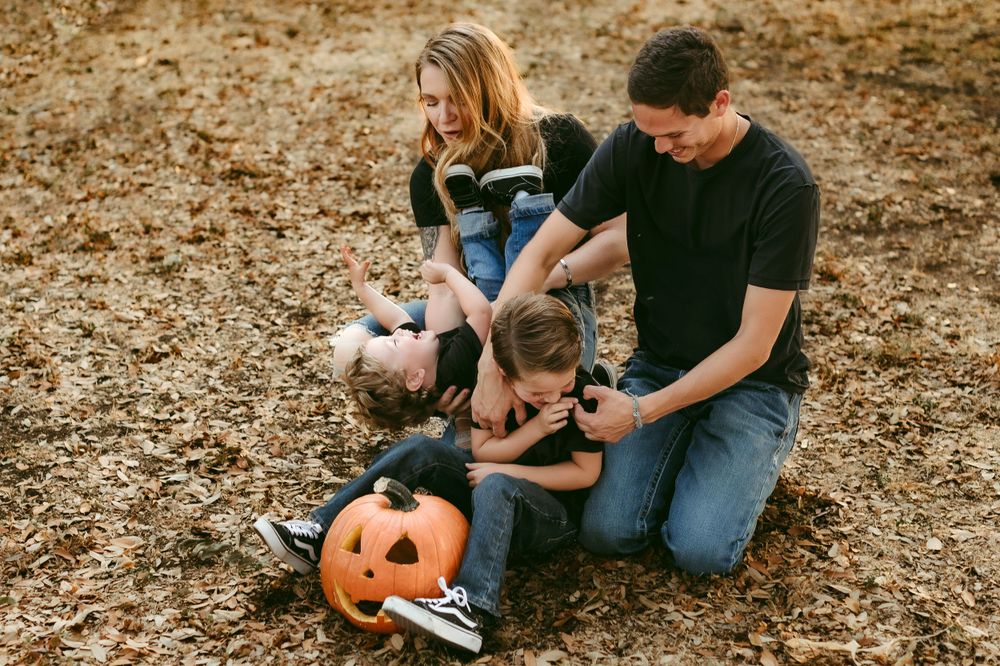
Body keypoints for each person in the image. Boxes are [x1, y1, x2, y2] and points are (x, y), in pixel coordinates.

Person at [472, 26, 820, 575]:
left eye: (675, 134)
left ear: (720, 103)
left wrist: (639, 413)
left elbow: (755, 346)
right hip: (660, 363)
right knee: (607, 532)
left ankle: (742, 456)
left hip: (752, 383)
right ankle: (687, 455)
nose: (660, 148)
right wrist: (492, 362)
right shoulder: (636, 145)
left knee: (700, 551)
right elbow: (537, 256)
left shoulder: (783, 186)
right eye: (648, 132)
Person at [254, 294, 610, 653]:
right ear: (502, 373)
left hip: (548, 515)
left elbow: (585, 473)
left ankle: (471, 608)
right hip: (488, 487)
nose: (552, 397)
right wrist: (529, 435)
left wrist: (504, 471)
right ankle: (319, 533)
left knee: (498, 486)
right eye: (537, 392)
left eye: (561, 385)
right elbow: (482, 452)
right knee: (421, 449)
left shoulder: (579, 396)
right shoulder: (488, 389)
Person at [330, 22, 628, 400]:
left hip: (551, 300)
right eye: (431, 102)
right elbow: (444, 289)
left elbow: (618, 240)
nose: (444, 118)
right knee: (348, 356)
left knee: (529, 384)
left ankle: (588, 377)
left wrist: (541, 274)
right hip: (476, 300)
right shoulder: (430, 173)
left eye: (459, 99)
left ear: (491, 89)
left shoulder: (561, 139)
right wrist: (450, 378)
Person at [337, 245, 490, 429]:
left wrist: (361, 287)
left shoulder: (425, 378)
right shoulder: (452, 369)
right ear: (414, 379)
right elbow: (481, 313)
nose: (398, 332)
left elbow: (397, 319)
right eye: (393, 342)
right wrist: (448, 275)